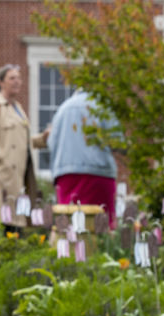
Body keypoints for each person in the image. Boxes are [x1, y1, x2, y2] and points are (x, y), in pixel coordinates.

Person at [0, 64, 48, 233]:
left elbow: (20, 140)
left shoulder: (18, 108)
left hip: (16, 178)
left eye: (19, 78)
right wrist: (0, 157)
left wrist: (42, 139)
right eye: (12, 78)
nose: (17, 82)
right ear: (0, 82)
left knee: (13, 224)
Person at [48, 89, 120, 227]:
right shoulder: (102, 107)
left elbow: (51, 143)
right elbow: (117, 141)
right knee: (102, 225)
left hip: (66, 175)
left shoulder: (63, 109)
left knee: (68, 225)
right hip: (99, 173)